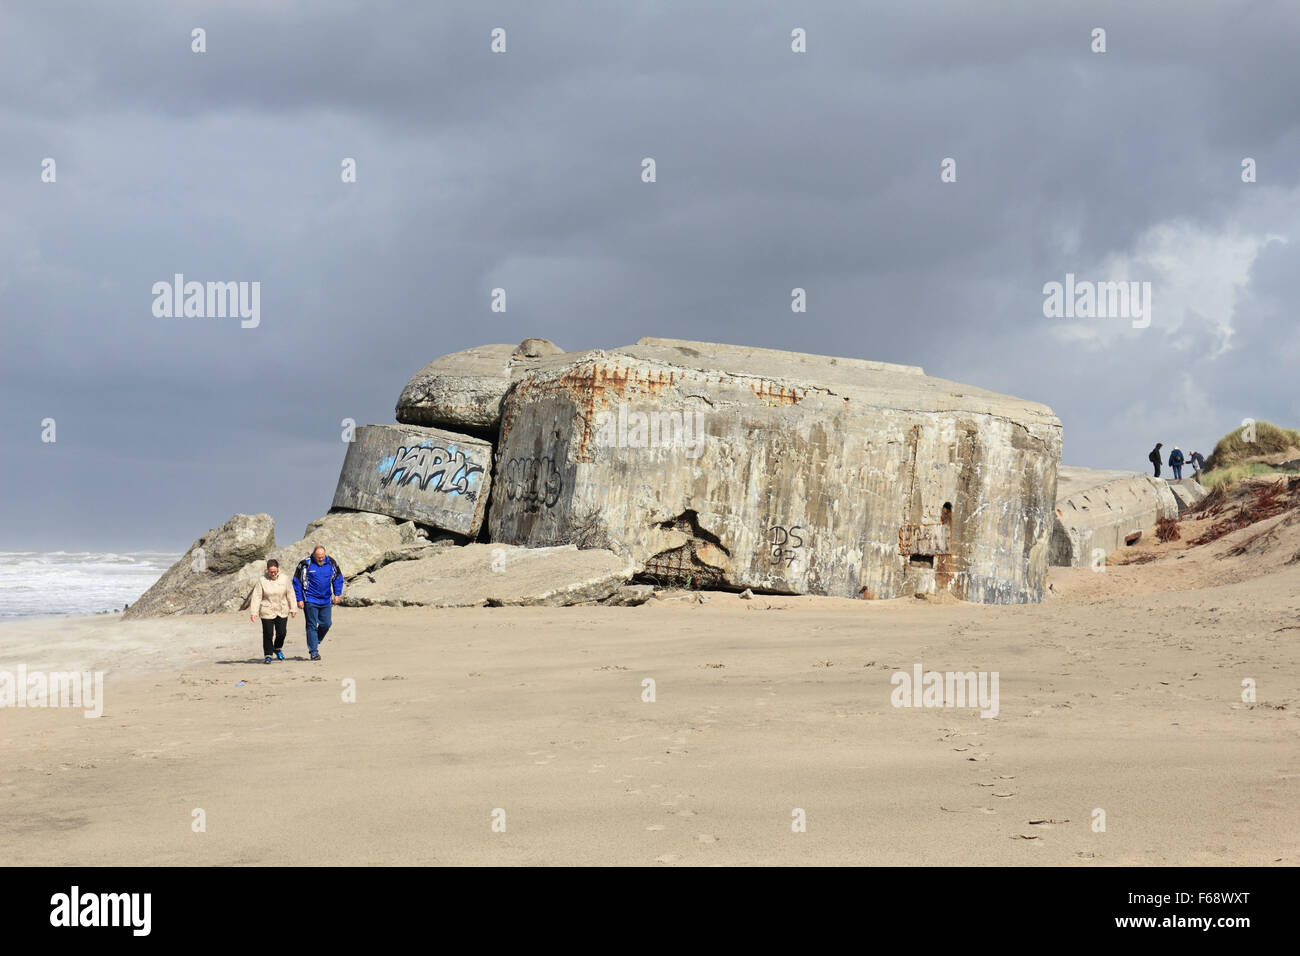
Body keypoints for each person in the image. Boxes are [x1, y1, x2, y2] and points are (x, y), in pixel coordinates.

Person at [292, 545, 343, 662]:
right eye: (318, 557)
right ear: (313, 555)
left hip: (326, 599)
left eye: (322, 556)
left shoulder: (331, 562)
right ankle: (314, 652)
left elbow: (337, 578)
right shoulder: (305, 564)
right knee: (311, 626)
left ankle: (315, 641)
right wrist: (299, 599)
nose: (321, 559)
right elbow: (297, 582)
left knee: (326, 623)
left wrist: (337, 594)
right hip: (310, 599)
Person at [248, 559, 296, 663]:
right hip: (267, 610)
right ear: (267, 570)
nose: (273, 573)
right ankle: (268, 654)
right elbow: (257, 596)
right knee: (268, 634)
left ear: (278, 570)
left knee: (282, 633)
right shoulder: (262, 580)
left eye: (275, 571)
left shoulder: (285, 579)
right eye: (271, 572)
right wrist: (254, 612)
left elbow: (290, 593)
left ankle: (277, 648)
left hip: (282, 609)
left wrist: (293, 608)